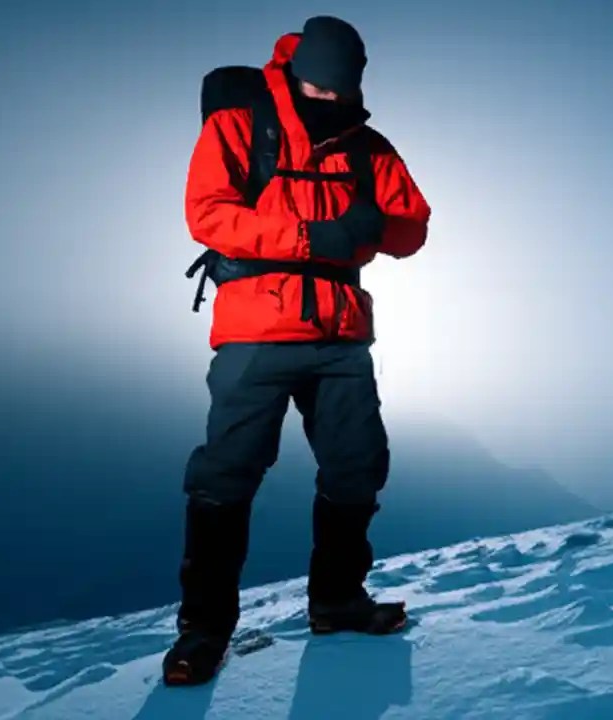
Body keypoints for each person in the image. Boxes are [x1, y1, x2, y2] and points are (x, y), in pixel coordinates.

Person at [162, 16, 431, 686]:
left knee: (359, 468)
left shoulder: (368, 145)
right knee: (225, 477)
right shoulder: (239, 120)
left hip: (340, 337)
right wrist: (319, 236)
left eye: (343, 87)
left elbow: (413, 227)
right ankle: (203, 631)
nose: (331, 96)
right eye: (321, 82)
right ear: (297, 67)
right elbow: (210, 214)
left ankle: (337, 603)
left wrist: (374, 230)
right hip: (255, 330)